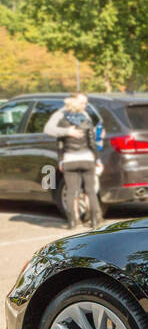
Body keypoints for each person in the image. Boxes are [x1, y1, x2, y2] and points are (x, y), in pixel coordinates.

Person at [43, 93, 103, 230]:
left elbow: (59, 143)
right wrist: (98, 159)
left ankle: (72, 222)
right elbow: (92, 142)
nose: (85, 105)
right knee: (90, 191)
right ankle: (95, 221)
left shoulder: (65, 118)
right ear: (74, 101)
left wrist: (61, 159)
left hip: (69, 159)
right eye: (82, 102)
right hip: (87, 158)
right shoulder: (83, 118)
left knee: (71, 192)